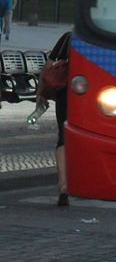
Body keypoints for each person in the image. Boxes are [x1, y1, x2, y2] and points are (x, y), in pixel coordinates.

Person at [35, 31, 72, 206]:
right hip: (90, 94)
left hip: (65, 93)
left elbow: (49, 65)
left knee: (63, 138)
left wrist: (41, 93)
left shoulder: (69, 37)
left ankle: (63, 183)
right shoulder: (100, 38)